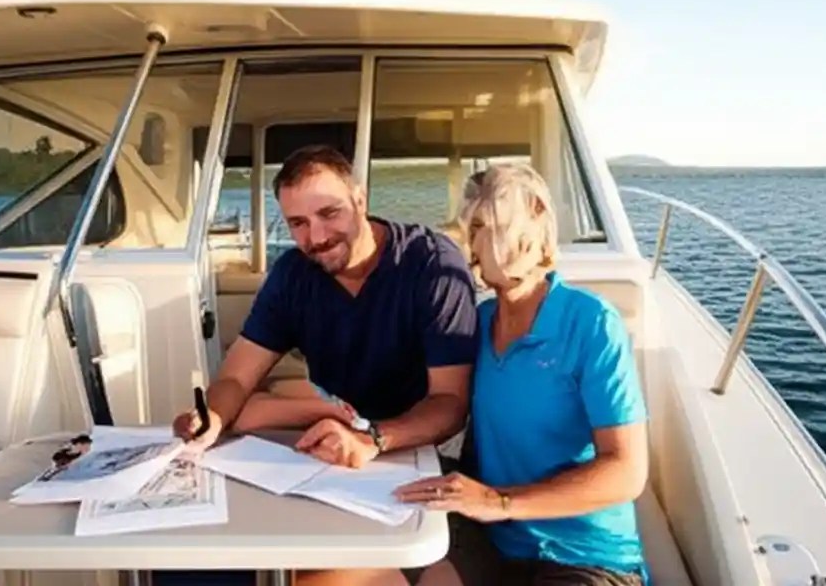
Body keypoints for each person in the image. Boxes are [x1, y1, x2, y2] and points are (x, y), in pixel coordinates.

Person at [170, 144, 480, 586]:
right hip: (331, 458)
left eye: (329, 213)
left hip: (419, 455)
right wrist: (211, 418)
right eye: (298, 223)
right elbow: (237, 376)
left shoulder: (431, 264)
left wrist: (372, 439)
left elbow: (449, 402)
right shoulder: (293, 276)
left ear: (360, 198)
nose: (315, 237)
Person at [395, 163, 650, 586]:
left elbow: (626, 471)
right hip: (492, 538)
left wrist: (499, 502)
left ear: (535, 228)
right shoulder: (480, 320)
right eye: (472, 227)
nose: (475, 241)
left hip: (584, 555)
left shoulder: (590, 324)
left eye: (488, 225)